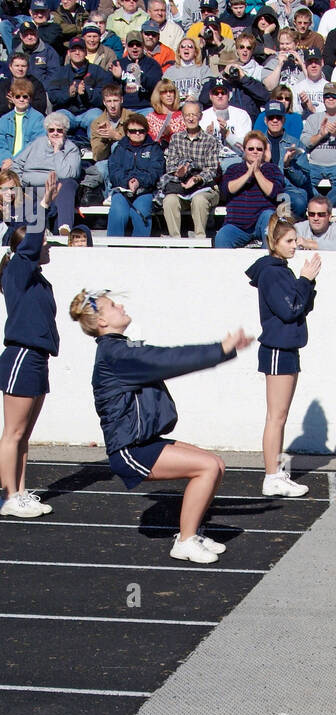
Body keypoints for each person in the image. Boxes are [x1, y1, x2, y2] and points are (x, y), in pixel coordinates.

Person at [70, 288, 252, 564]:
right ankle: (185, 541)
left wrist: (221, 351)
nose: (120, 306)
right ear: (102, 322)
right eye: (111, 306)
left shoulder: (120, 349)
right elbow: (168, 359)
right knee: (207, 467)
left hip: (145, 441)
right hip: (129, 450)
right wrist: (220, 349)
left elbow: (164, 357)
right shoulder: (116, 354)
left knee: (217, 463)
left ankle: (193, 532)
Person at [246, 212, 319, 498]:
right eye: (289, 240)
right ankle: (272, 475)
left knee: (280, 415)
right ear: (274, 242)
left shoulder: (280, 270)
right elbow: (289, 309)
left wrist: (307, 283)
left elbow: (300, 305)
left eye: (295, 240)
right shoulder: (273, 272)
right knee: (276, 416)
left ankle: (276, 472)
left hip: (287, 348)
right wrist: (305, 280)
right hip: (277, 348)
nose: (295, 245)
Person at [0, 174, 61, 518]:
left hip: (36, 357)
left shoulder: (35, 277)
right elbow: (29, 238)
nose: (47, 245)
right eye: (43, 242)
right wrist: (43, 204)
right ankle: (10, 496)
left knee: (25, 435)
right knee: (13, 431)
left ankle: (20, 491)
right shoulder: (19, 270)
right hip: (21, 356)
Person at [159, 100, 222, 238]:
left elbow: (212, 170)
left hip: (203, 186)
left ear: (200, 116)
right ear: (182, 116)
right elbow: (170, 165)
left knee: (199, 200)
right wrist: (179, 172)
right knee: (170, 200)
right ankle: (175, 240)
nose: (191, 118)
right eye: (187, 115)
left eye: (194, 114)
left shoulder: (210, 140)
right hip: (180, 185)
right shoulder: (176, 138)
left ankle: (200, 238)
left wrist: (196, 179)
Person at [106, 112, 164, 237]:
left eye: (141, 131)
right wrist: (128, 181)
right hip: (123, 189)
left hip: (145, 190)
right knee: (118, 213)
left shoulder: (154, 148)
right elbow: (114, 170)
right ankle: (113, 249)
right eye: (133, 131)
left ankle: (139, 250)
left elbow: (156, 171)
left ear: (146, 131)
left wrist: (139, 181)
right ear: (127, 132)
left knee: (140, 213)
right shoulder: (120, 148)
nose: (137, 134)